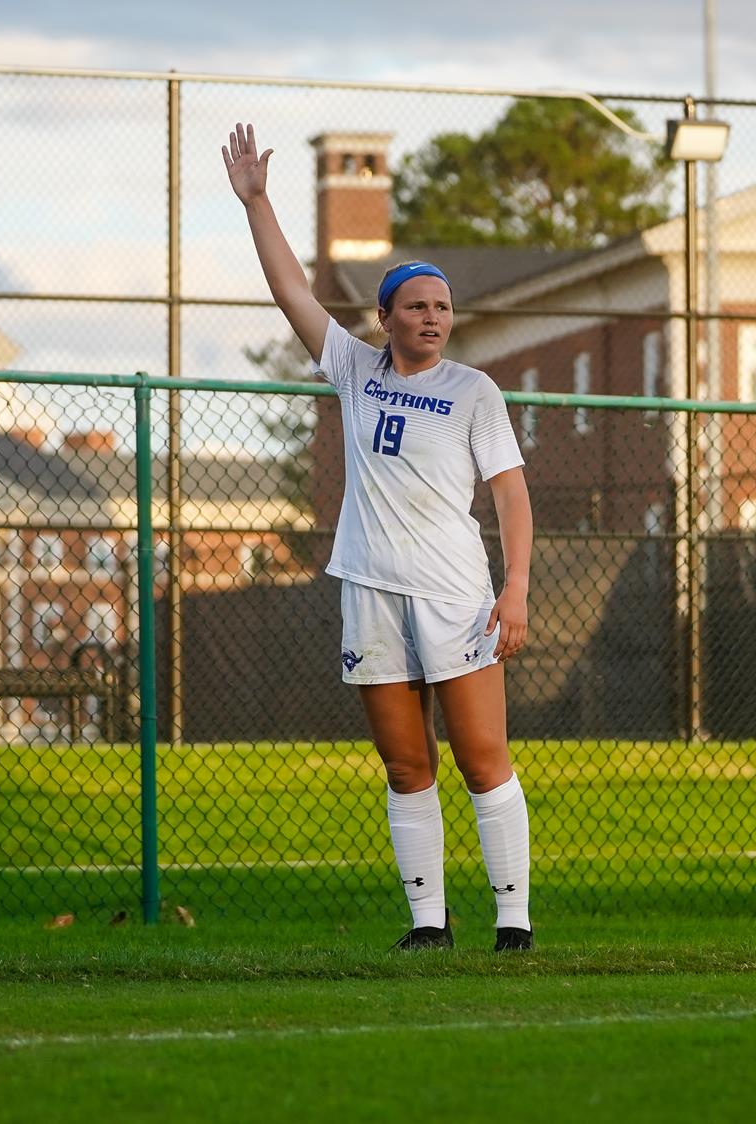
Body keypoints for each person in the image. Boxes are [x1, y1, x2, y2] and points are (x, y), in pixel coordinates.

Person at [223, 123, 535, 951]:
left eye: (442, 306)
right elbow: (292, 291)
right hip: (370, 590)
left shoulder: (475, 392)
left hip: (457, 596)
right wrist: (258, 202)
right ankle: (428, 924)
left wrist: (515, 589)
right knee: (406, 766)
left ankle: (514, 922)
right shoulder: (355, 370)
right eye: (417, 306)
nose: (433, 318)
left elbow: (510, 495)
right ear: (385, 317)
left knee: (480, 758)